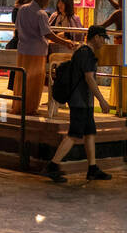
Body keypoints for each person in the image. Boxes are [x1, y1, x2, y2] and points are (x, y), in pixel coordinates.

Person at [45, 25, 113, 182]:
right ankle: (52, 166)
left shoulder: (82, 51)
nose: (103, 42)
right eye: (102, 38)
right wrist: (102, 100)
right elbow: (89, 78)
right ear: (96, 37)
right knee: (74, 135)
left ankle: (92, 168)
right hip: (80, 101)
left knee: (90, 133)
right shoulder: (86, 54)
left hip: (84, 101)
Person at [13, 0, 76, 118]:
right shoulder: (41, 14)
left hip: (23, 49)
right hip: (36, 52)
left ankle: (18, 106)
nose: (48, 3)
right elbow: (47, 34)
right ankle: (30, 108)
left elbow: (17, 27)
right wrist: (66, 42)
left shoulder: (22, 9)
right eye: (47, 0)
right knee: (34, 81)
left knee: (21, 79)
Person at [45, 0, 83, 117]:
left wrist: (67, 36)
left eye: (62, 3)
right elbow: (47, 30)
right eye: (59, 2)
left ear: (68, 4)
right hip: (54, 48)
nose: (60, 5)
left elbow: (79, 34)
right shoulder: (55, 16)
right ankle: (53, 98)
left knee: (64, 74)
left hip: (67, 50)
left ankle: (63, 100)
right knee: (53, 74)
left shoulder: (75, 18)